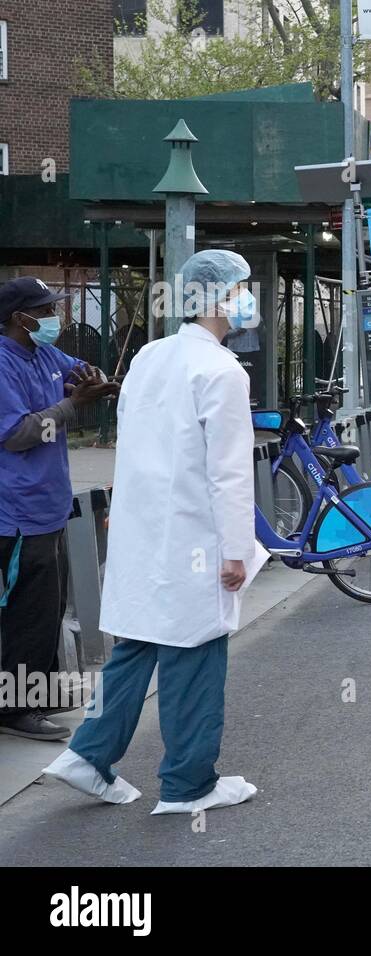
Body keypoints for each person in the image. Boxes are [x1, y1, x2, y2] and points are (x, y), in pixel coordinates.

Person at [42, 249, 264, 812]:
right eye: (242, 289)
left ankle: (87, 755)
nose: (248, 299)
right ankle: (190, 786)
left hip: (144, 531)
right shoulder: (222, 371)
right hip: (195, 536)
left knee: (136, 646)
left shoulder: (148, 357)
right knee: (194, 652)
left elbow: (133, 444)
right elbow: (230, 472)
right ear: (217, 298)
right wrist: (237, 550)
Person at [0, 278, 119, 740]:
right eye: (46, 310)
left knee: (48, 606)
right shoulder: (4, 363)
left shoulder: (46, 355)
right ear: (19, 318)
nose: (56, 317)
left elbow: (82, 373)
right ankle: (14, 709)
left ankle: (41, 692)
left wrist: (97, 382)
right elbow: (18, 435)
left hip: (51, 504)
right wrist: (73, 404)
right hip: (15, 511)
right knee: (25, 609)